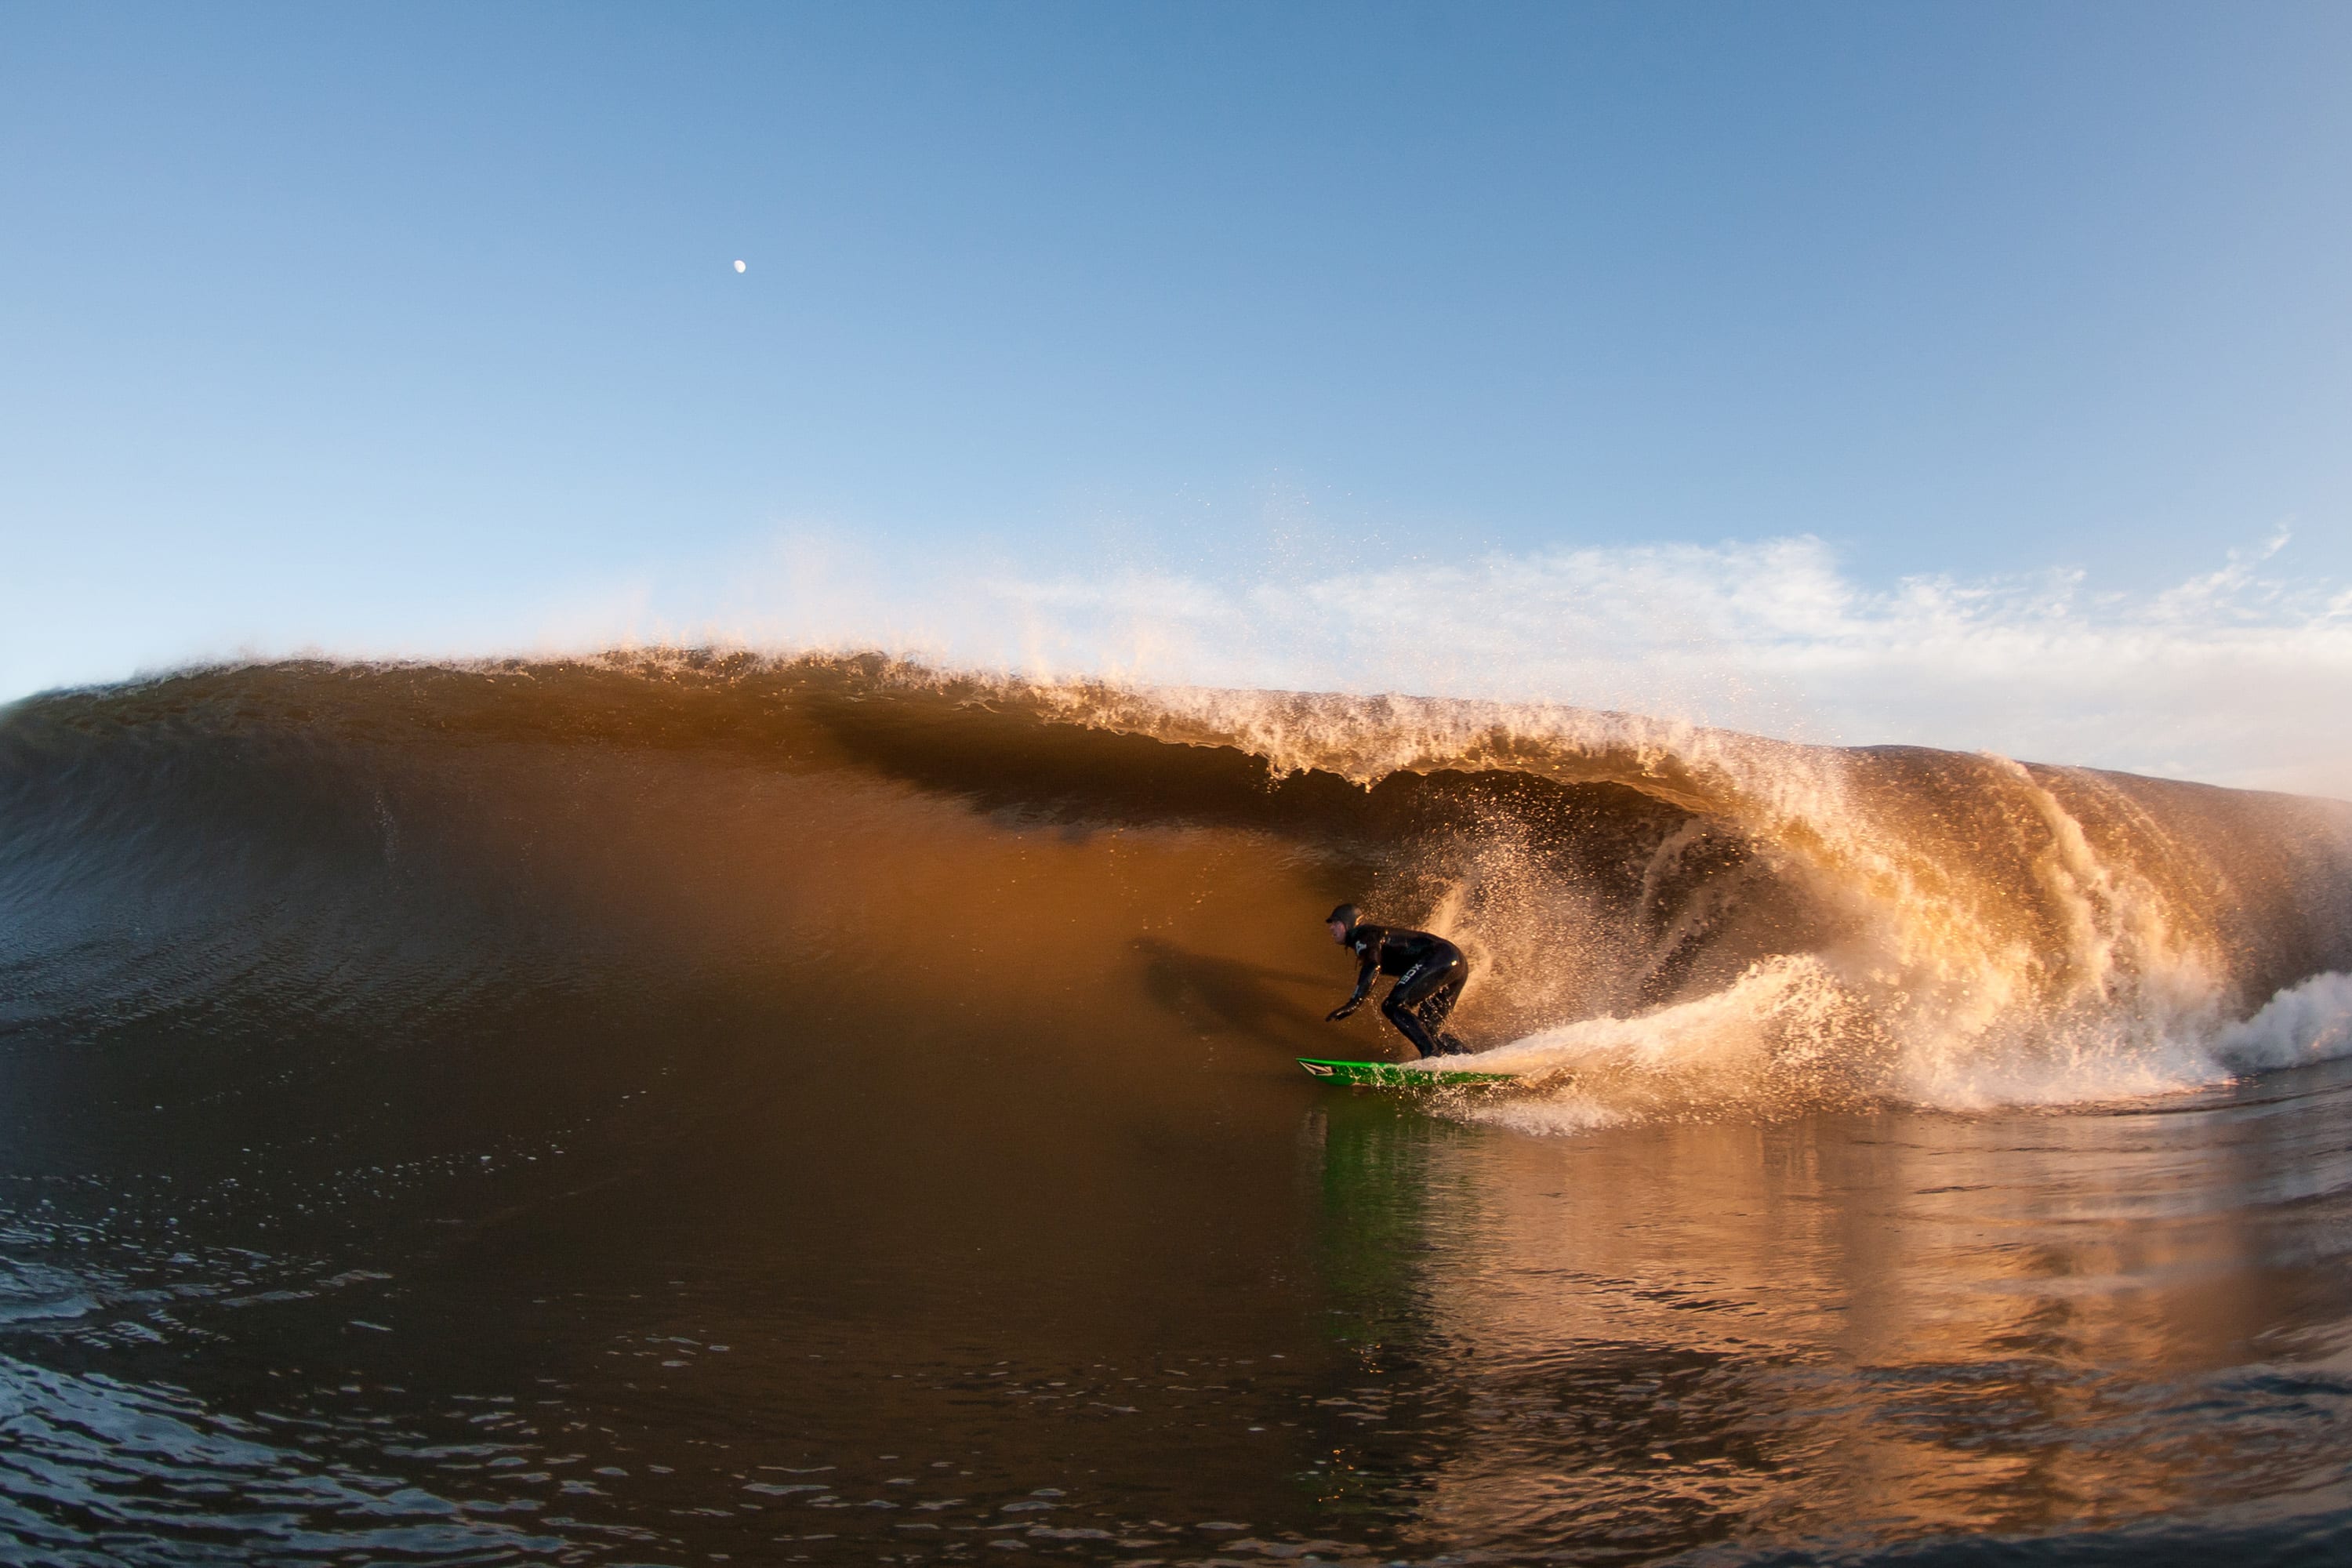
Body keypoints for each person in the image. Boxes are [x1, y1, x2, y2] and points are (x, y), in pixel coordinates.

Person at [1323, 903, 1470, 1058]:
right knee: (1428, 1029)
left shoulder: (1364, 935)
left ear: (1349, 922)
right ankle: (1467, 1059)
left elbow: (1373, 965)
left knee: (1392, 1005)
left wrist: (1355, 1002)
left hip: (1441, 957)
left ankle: (1431, 1055)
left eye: (1336, 922)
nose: (1331, 928)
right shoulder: (1370, 938)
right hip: (1455, 962)